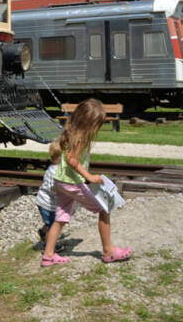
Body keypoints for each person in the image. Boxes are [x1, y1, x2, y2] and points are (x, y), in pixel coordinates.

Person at [42, 98, 132, 267]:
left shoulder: (70, 130)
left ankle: (48, 256)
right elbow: (72, 160)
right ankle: (109, 252)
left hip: (61, 181)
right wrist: (89, 177)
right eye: (97, 124)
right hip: (71, 183)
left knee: (60, 218)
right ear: (89, 123)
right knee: (104, 208)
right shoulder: (80, 137)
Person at [36, 153, 67, 252]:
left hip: (49, 202)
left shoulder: (55, 167)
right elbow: (52, 189)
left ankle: (43, 232)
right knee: (53, 226)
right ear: (59, 158)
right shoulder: (54, 172)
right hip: (46, 204)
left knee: (50, 222)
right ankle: (48, 246)